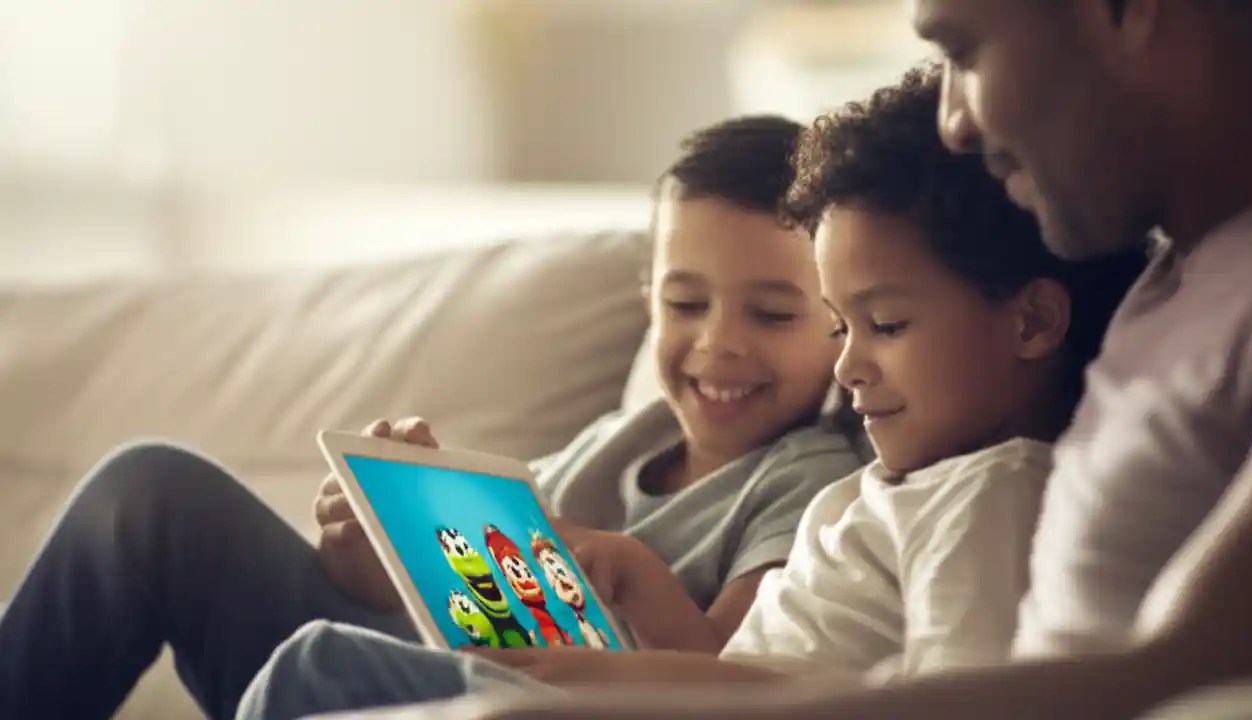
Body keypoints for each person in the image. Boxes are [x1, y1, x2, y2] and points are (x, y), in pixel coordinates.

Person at [431, 0, 1252, 716]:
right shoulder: (1165, 288)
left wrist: (624, 699)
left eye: (964, 49)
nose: (956, 121)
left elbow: (1177, 678)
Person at [233, 66, 1147, 719]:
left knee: (320, 670)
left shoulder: (989, 490)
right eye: (845, 324)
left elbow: (946, 701)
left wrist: (614, 682)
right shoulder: (895, 490)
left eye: (888, 326)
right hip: (632, 694)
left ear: (1031, 323)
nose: (847, 366)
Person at [0, 115, 869, 720]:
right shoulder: (621, 442)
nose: (718, 345)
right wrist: (370, 547)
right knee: (149, 490)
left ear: (841, 320)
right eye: (686, 303)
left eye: (771, 314)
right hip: (436, 668)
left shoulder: (811, 477)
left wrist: (634, 574)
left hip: (528, 705)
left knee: (318, 664)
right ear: (648, 299)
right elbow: (443, 611)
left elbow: (739, 680)